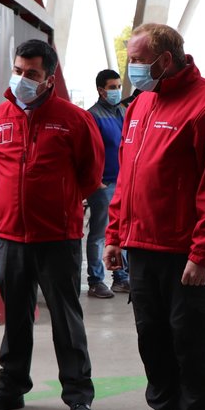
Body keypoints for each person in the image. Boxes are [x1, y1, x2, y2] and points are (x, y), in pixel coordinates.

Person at [104, 23, 205, 410]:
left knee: (191, 349)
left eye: (139, 58)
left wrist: (203, 254)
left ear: (165, 59)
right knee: (154, 345)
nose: (132, 67)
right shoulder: (140, 103)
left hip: (187, 255)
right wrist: (114, 234)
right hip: (142, 249)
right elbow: (127, 177)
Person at [0, 39, 104, 410]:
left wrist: (57, 205)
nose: (22, 79)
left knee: (66, 318)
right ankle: (10, 388)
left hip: (58, 238)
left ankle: (78, 395)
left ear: (49, 78)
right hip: (11, 237)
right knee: (16, 316)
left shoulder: (74, 120)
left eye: (32, 74)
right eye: (18, 71)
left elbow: (91, 176)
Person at [84, 68, 129, 298]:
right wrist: (95, 180)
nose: (117, 91)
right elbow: (88, 151)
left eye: (119, 87)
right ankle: (95, 280)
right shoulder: (92, 116)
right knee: (100, 233)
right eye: (112, 88)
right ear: (101, 90)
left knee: (122, 232)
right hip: (103, 185)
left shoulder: (124, 111)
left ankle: (121, 277)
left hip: (123, 183)